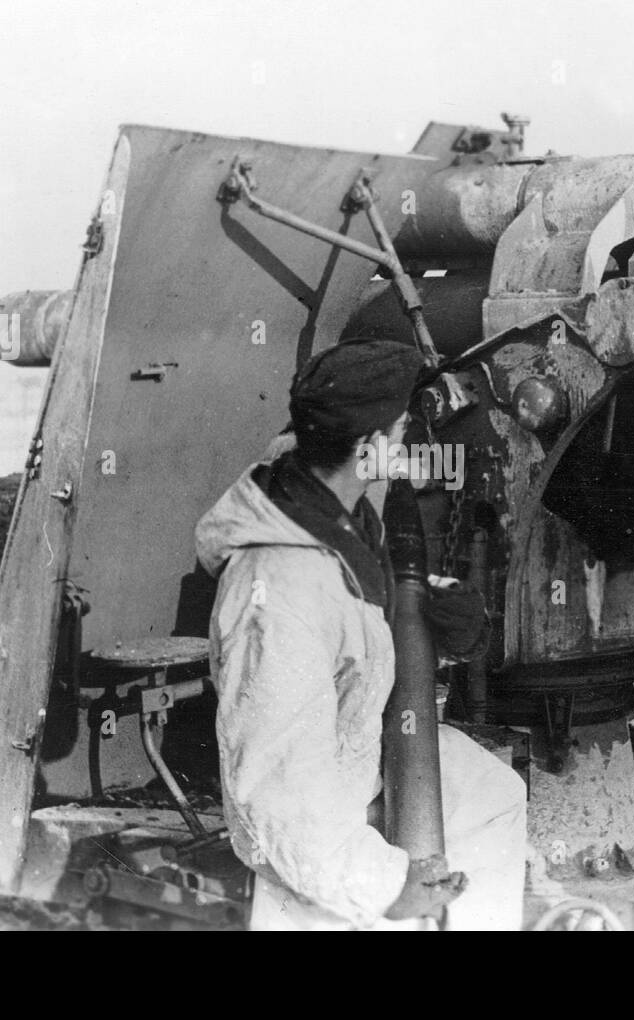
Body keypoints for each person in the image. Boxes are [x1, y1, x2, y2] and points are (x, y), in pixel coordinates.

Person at [195, 338, 528, 930]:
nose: (405, 445)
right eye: (400, 430)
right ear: (369, 447)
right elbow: (280, 786)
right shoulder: (277, 591)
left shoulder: (331, 501)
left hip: (354, 756)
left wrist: (446, 618)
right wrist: (382, 887)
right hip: (309, 817)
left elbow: (357, 624)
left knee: (492, 794)